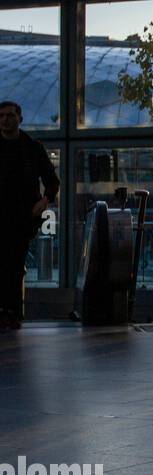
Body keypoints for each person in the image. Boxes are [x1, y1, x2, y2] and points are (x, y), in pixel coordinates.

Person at [0, 100, 59, 329]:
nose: (5, 120)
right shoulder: (31, 147)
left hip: (21, 219)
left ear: (19, 119)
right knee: (11, 265)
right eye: (2, 116)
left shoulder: (33, 148)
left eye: (10, 116)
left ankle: (10, 311)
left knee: (13, 265)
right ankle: (9, 312)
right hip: (13, 216)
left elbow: (52, 182)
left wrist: (43, 202)